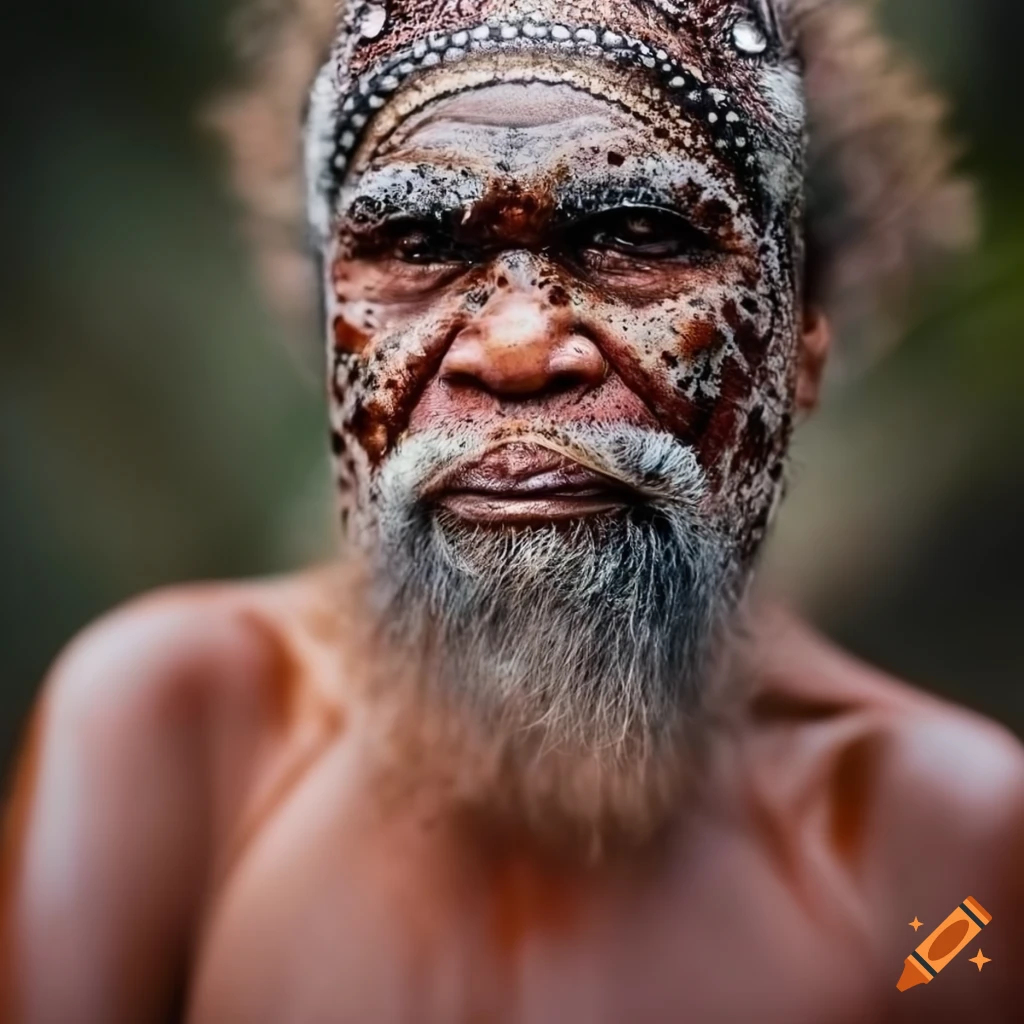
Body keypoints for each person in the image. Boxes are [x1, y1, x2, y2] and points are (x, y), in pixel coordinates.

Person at [2, 1, 1022, 1021]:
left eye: (635, 234)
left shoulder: (939, 871)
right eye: (414, 245)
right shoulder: (173, 732)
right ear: (330, 339)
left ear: (797, 341)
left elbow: (959, 967)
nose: (516, 349)